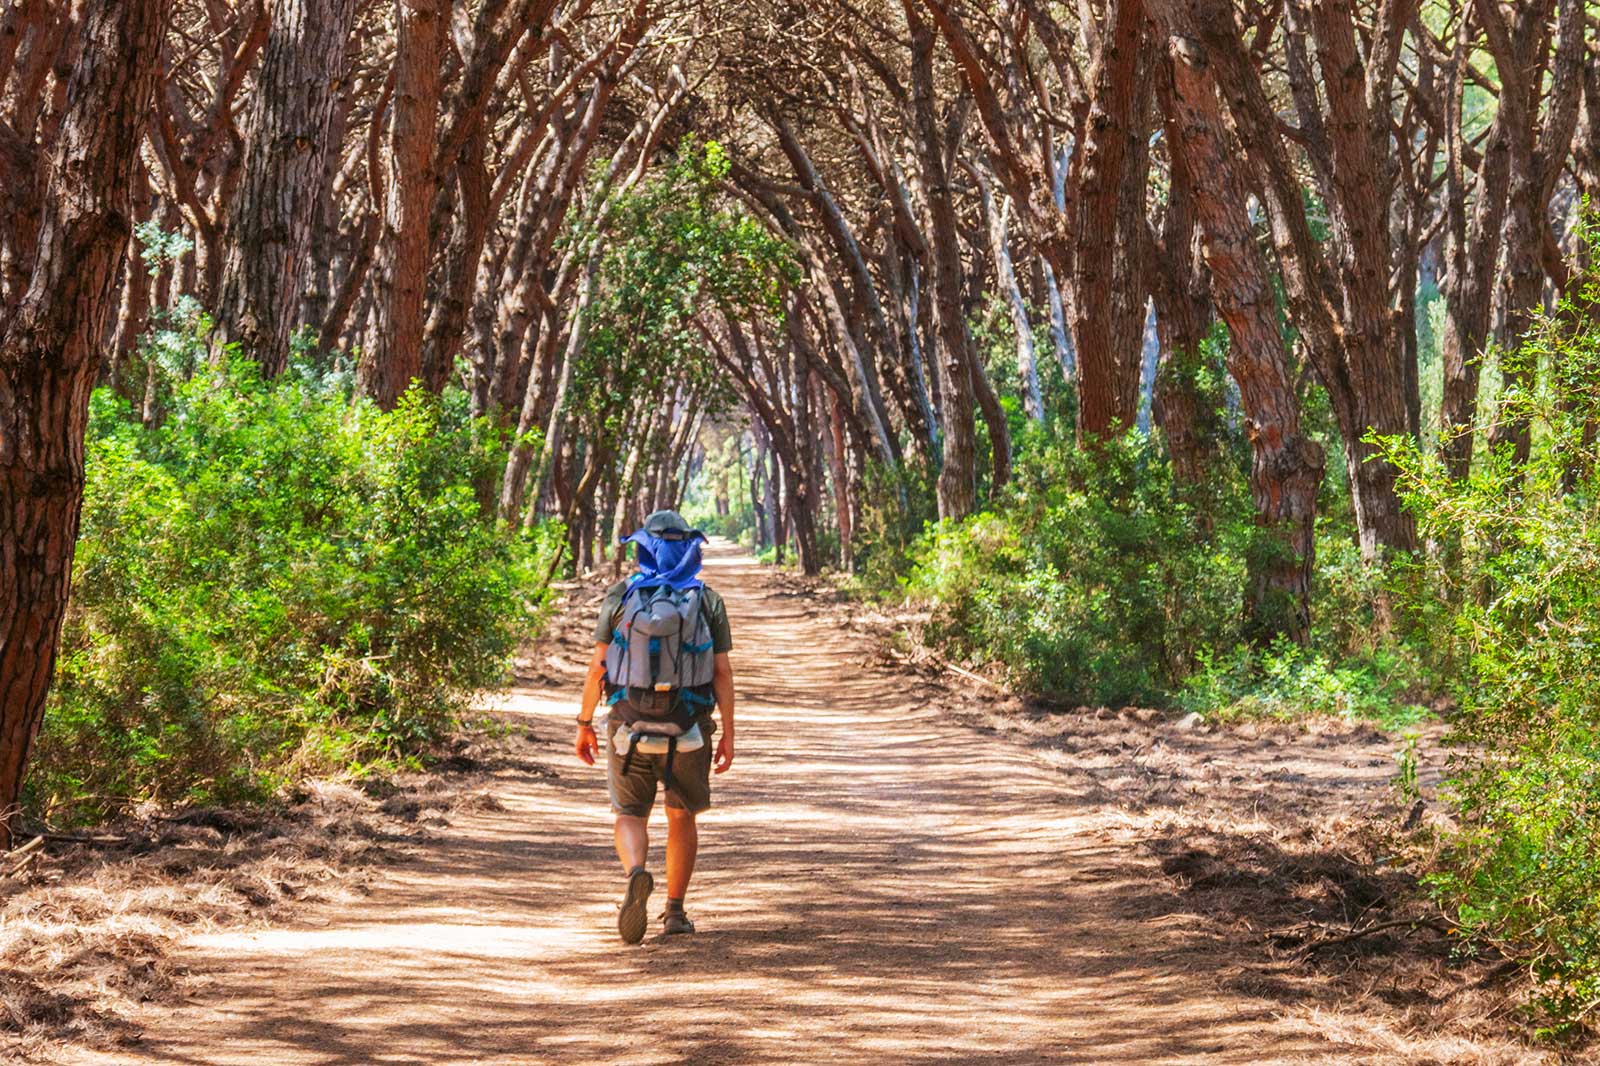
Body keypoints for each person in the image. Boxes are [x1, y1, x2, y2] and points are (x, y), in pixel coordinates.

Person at [575, 510, 735, 944]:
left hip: (628, 724)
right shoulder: (707, 600)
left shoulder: (622, 595)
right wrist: (731, 736)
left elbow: (597, 668)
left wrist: (585, 723)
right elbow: (721, 672)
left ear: (644, 546)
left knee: (630, 813)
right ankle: (676, 912)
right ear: (689, 549)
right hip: (690, 726)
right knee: (680, 816)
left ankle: (636, 872)